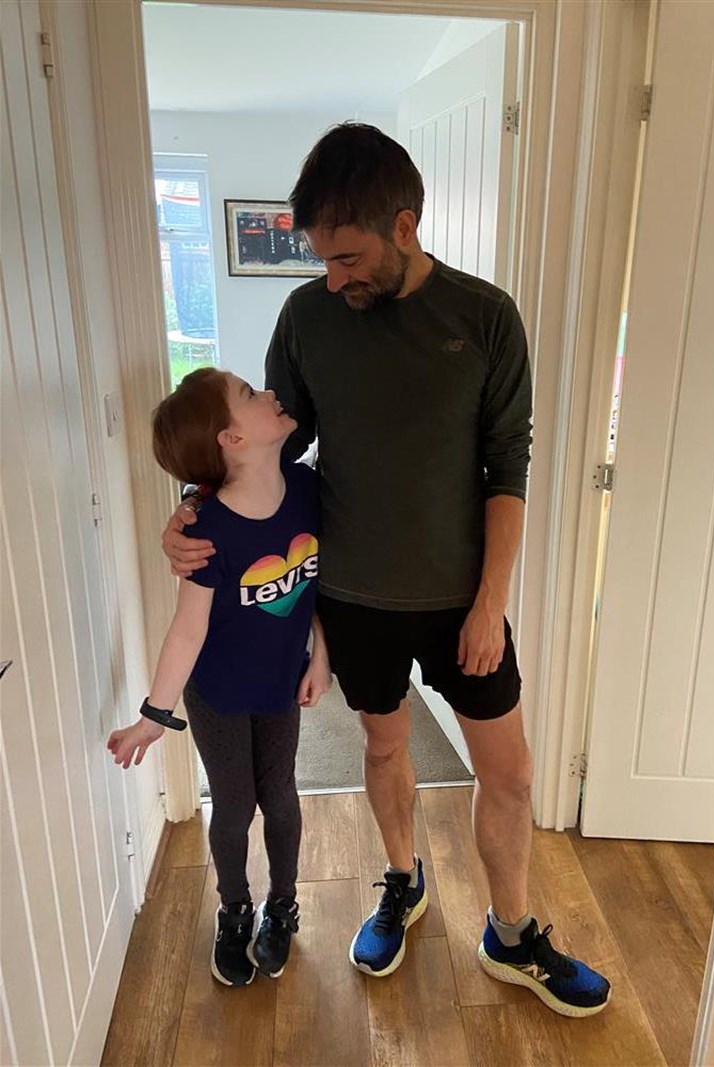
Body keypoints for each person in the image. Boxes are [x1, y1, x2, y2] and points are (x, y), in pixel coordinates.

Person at [164, 125, 610, 1018]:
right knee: (383, 745)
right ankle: (402, 882)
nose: (333, 279)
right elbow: (265, 448)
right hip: (354, 599)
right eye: (321, 260)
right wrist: (191, 506)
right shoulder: (308, 319)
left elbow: (508, 466)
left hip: (461, 603)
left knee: (511, 772)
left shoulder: (485, 317)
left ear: (404, 225)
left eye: (347, 257)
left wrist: (491, 602)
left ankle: (511, 931)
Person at [110, 367, 330, 987]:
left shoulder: (308, 489)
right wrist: (154, 716)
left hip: (282, 682)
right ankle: (234, 910)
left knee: (280, 796)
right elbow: (188, 630)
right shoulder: (207, 528)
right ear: (231, 440)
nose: (270, 393)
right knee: (234, 806)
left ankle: (282, 905)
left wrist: (321, 656)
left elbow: (318, 587)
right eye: (249, 394)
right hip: (219, 694)